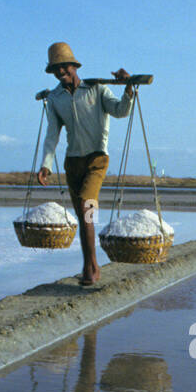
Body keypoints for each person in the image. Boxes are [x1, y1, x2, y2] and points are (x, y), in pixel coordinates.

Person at [38, 43, 134, 285]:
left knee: (86, 208)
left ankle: (91, 268)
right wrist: (46, 165)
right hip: (73, 164)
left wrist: (129, 88)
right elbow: (52, 134)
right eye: (56, 69)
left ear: (74, 66)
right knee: (83, 217)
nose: (61, 72)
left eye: (64, 66)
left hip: (96, 160)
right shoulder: (55, 99)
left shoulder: (97, 88)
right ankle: (89, 265)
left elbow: (121, 111)